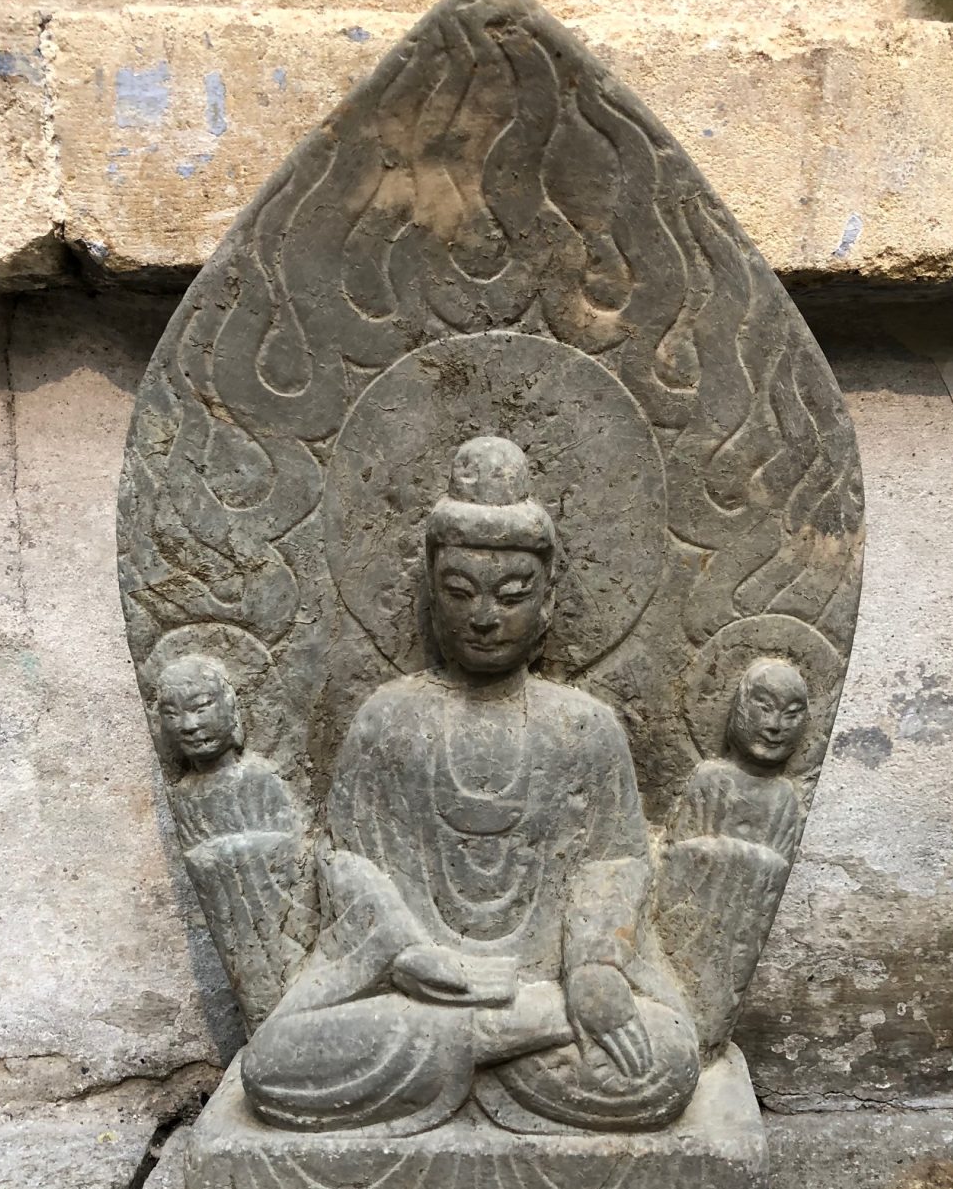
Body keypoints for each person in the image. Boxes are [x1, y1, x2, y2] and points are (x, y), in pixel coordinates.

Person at [241, 436, 699, 1134]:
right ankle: (493, 1040)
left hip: (552, 990)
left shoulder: (585, 727)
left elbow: (615, 862)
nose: (485, 616)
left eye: (512, 595)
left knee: (667, 1063)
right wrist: (405, 954)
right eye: (460, 592)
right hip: (424, 999)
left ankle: (497, 1040)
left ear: (548, 604)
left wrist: (596, 971)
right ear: (430, 598)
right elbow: (349, 864)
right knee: (271, 1065)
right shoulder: (388, 720)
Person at [655, 657, 808, 1052]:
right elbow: (675, 863)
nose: (774, 726)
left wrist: (737, 859)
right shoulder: (710, 779)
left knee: (719, 1004)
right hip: (694, 927)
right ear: (738, 710)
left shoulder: (785, 799)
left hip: (739, 938)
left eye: (791, 715)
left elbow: (775, 880)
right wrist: (739, 858)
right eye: (763, 707)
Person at [156, 654, 314, 1032]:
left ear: (230, 708)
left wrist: (231, 853)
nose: (189, 726)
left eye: (200, 708)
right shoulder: (184, 797)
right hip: (234, 933)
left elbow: (294, 856)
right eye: (172, 714)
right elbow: (199, 871)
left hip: (279, 925)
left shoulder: (260, 778)